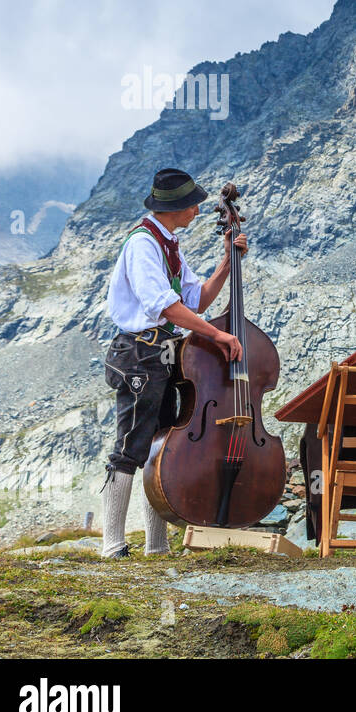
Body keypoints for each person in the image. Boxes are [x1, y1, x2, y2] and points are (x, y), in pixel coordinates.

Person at [100, 168, 247, 559]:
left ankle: (156, 544)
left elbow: (196, 299)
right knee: (132, 444)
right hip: (139, 352)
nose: (198, 208)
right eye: (193, 203)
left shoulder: (169, 244)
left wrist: (226, 264)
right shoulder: (143, 245)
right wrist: (217, 335)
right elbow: (163, 305)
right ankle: (112, 544)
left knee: (159, 445)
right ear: (176, 207)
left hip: (163, 354)